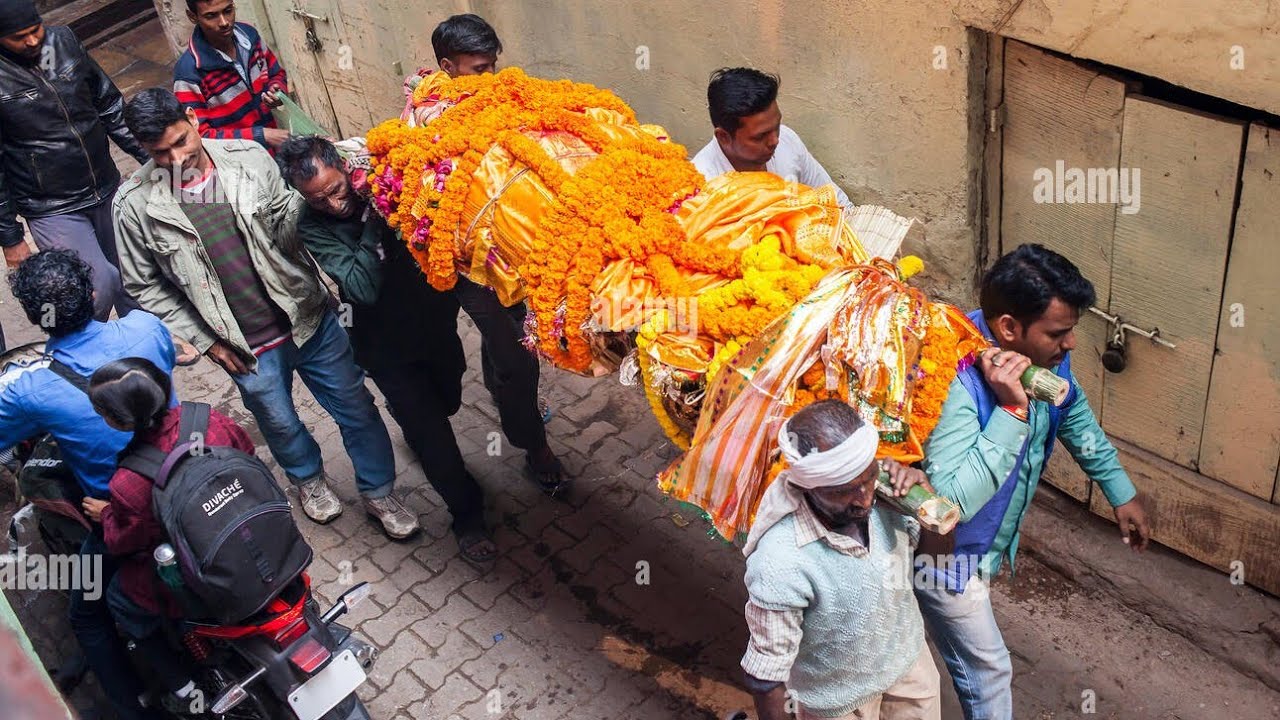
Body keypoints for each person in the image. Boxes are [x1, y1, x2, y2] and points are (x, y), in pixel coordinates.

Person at [113, 88, 417, 540]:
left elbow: (294, 224)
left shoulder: (250, 158)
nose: (177, 159)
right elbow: (144, 286)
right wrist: (207, 342)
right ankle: (308, 481)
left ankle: (379, 491)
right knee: (280, 422)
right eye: (160, 153)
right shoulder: (133, 206)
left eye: (180, 142)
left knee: (356, 407)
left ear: (193, 119)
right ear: (142, 148)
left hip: (310, 318)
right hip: (243, 347)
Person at [919, 243, 1151, 720]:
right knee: (989, 671)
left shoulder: (1039, 356)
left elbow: (1073, 414)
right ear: (1009, 327)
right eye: (1059, 333)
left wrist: (1119, 490)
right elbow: (946, 506)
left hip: (983, 546)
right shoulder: (954, 378)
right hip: (944, 556)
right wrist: (1011, 410)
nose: (1071, 344)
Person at [276, 135, 497, 565]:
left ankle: (415, 420)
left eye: (336, 190)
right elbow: (360, 286)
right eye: (318, 200)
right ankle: (467, 515)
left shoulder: (386, 179)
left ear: (343, 167)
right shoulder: (312, 225)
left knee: (448, 398)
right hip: (384, 347)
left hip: (434, 324)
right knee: (433, 436)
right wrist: (377, 219)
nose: (334, 205)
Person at [0, 249, 176, 720]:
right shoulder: (145, 327)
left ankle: (134, 709)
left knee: (87, 615)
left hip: (125, 513)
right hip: (182, 476)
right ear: (94, 293)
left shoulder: (28, 388)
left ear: (35, 317)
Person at [401, 13, 564, 492]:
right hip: (469, 266)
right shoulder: (434, 115)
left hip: (509, 249)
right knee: (518, 355)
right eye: (479, 69)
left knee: (507, 338)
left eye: (493, 66)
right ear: (447, 68)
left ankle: (503, 392)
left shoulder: (491, 97)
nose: (490, 77)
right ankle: (534, 446)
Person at [742, 400, 942, 720]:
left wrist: (929, 508)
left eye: (869, 478)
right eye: (844, 491)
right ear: (810, 487)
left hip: (910, 672)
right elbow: (765, 679)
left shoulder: (887, 494)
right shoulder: (780, 561)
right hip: (838, 704)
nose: (864, 499)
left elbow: (937, 566)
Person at [88, 357, 247, 712]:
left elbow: (124, 541)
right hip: (243, 534)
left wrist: (107, 515)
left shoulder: (129, 481)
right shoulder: (212, 420)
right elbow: (247, 455)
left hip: (193, 572)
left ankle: (184, 688)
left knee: (118, 598)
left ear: (117, 421)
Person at [0, 0, 149, 320]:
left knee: (136, 283)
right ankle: (83, 347)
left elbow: (109, 104)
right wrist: (10, 237)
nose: (32, 41)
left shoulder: (64, 42)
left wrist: (151, 157)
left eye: (36, 30)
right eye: (19, 37)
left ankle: (142, 347)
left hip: (105, 184)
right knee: (96, 288)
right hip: (52, 205)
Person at [691, 68, 851, 208]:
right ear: (724, 137)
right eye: (760, 136)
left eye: (777, 126)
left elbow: (837, 202)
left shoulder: (786, 140)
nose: (775, 141)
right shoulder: (700, 191)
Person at [173, 0, 290, 150]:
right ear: (193, 17)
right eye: (211, 16)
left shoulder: (249, 36)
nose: (224, 22)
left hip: (277, 147)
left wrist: (277, 90)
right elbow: (200, 135)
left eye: (228, 11)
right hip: (241, 159)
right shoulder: (189, 73)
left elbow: (276, 73)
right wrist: (261, 136)